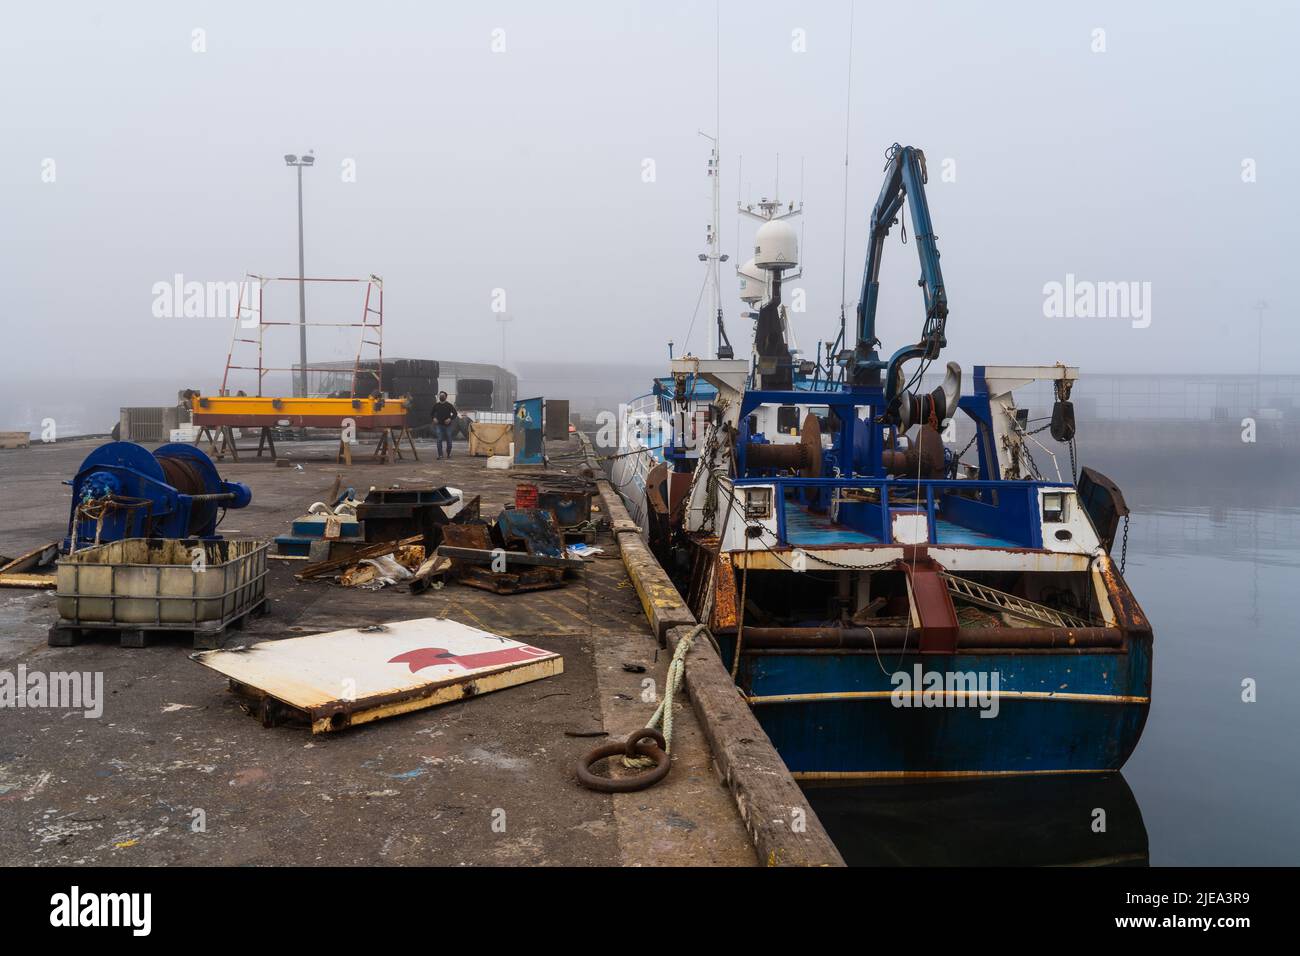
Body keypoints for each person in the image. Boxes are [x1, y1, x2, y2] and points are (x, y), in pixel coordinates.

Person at [431, 391, 457, 459]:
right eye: (440, 395)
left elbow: (455, 413)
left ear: (446, 397)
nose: (441, 396)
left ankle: (448, 453)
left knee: (449, 440)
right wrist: (434, 418)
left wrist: (450, 419)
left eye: (443, 395)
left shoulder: (449, 405)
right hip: (439, 425)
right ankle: (440, 455)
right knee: (439, 440)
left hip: (448, 426)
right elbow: (431, 413)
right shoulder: (436, 405)